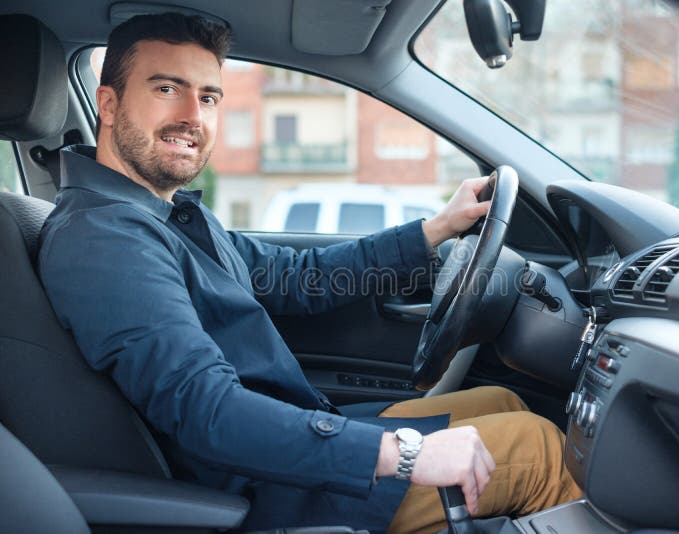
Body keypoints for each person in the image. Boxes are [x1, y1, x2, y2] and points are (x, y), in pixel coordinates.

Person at [38, 13, 580, 533]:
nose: (192, 116)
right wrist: (405, 453)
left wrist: (435, 229)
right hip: (260, 490)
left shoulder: (164, 215)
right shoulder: (107, 239)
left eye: (208, 97)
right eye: (165, 89)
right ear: (108, 104)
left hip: (283, 447)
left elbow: (299, 277)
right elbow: (204, 412)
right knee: (539, 451)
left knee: (505, 404)